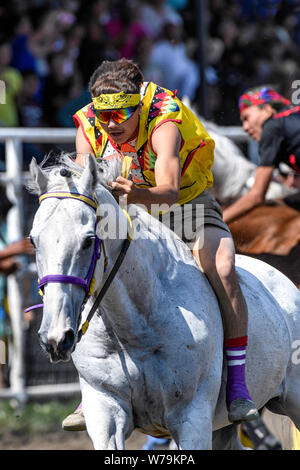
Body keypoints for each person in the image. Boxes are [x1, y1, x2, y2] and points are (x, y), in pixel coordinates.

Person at [62, 58, 259, 432]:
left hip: (184, 204)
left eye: (121, 114)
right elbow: (85, 183)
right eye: (104, 117)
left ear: (138, 106)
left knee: (223, 268)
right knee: (88, 266)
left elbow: (167, 192)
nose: (112, 125)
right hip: (126, 204)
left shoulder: (164, 118)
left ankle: (237, 384)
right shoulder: (89, 123)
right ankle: (91, 386)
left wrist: (134, 194)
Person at [223, 86, 300, 223]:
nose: (244, 128)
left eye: (246, 118)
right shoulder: (290, 119)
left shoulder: (272, 127)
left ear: (267, 110)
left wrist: (215, 223)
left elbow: (257, 196)